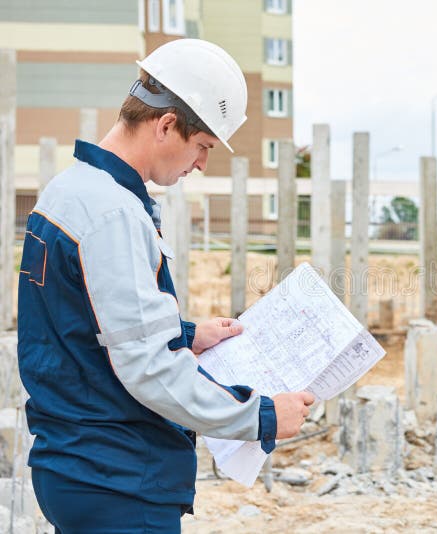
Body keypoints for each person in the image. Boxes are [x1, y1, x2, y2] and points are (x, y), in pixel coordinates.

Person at [17, 38, 313, 533]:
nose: (201, 164)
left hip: (78, 467)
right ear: (167, 125)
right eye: (202, 147)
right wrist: (261, 416)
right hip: (117, 479)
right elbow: (150, 369)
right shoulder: (112, 213)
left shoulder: (69, 191)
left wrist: (186, 333)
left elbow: (80, 322)